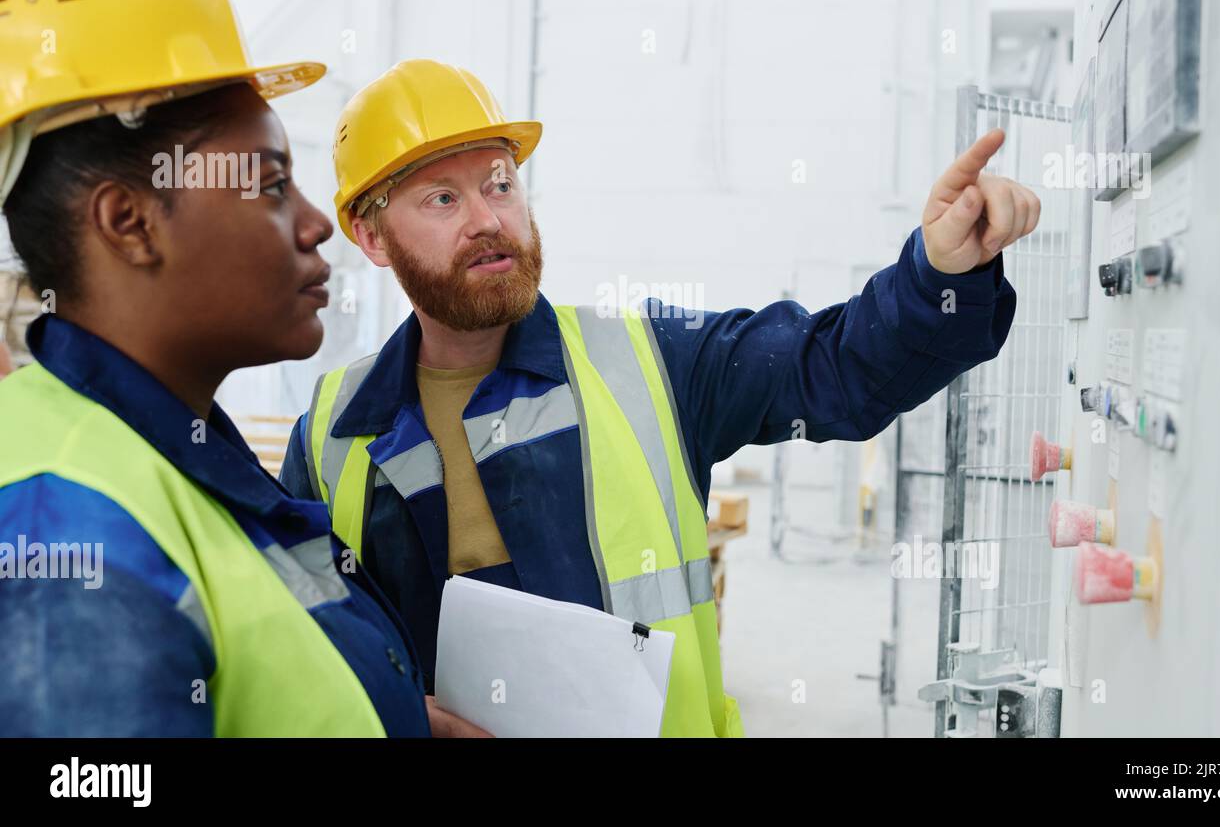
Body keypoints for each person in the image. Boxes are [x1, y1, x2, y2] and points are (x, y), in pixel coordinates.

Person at [279, 59, 1038, 738]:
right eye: (443, 197)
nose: (488, 219)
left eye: (501, 184)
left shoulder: (650, 359)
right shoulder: (333, 431)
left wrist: (940, 275)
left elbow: (836, 368)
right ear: (371, 239)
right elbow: (301, 637)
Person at [0, 0, 433, 736]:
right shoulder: (63, 541)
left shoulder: (175, 452)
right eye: (270, 184)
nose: (315, 225)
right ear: (130, 223)